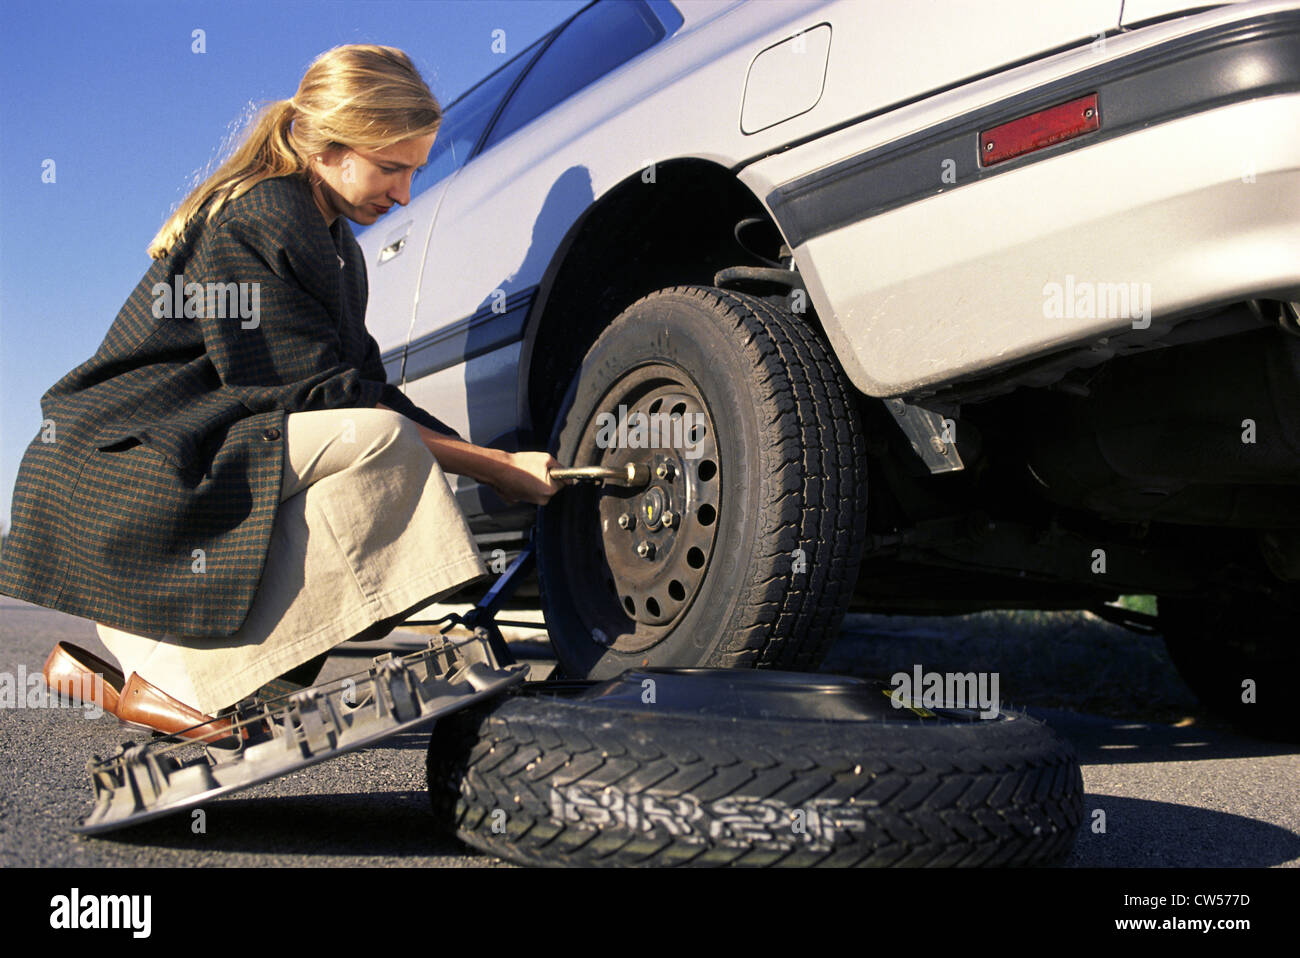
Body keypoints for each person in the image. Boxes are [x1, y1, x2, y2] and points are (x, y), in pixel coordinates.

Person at [0, 44, 566, 738]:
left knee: (386, 443)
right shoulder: (264, 215)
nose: (404, 195)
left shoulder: (335, 245)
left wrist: (487, 460)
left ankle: (189, 672)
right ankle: (183, 682)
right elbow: (316, 397)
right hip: (123, 464)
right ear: (328, 148)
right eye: (392, 168)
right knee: (381, 447)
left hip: (192, 453)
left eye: (415, 171)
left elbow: (361, 386)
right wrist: (494, 465)